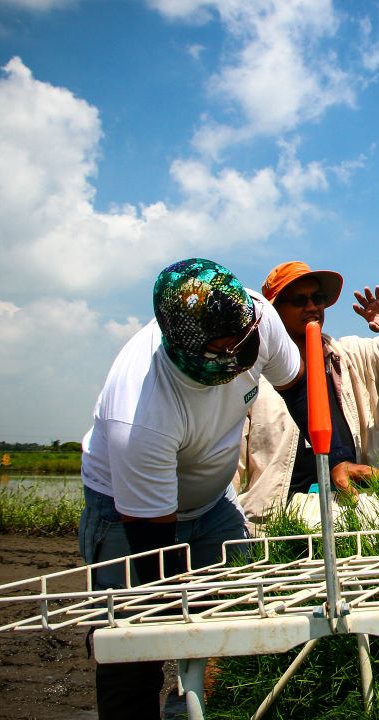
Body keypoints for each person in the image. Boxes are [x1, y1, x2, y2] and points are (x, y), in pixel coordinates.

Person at [79, 258, 302, 719]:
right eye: (224, 350)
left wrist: (332, 460)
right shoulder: (140, 413)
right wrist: (169, 610)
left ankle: (195, 711)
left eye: (245, 340)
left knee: (236, 616)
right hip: (130, 517)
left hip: (214, 499)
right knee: (136, 641)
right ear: (185, 348)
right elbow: (153, 554)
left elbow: (297, 385)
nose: (240, 355)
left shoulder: (258, 318)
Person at [236, 261, 379, 530]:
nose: (312, 307)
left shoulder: (352, 356)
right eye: (299, 300)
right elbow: (231, 463)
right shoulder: (253, 377)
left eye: (317, 298)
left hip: (357, 509)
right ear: (274, 312)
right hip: (277, 521)